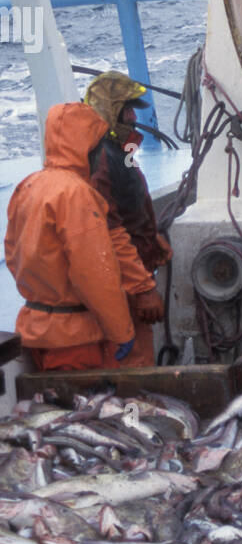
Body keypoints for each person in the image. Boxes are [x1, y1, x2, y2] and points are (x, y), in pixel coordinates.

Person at [4, 102, 136, 371]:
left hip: (34, 329)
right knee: (81, 409)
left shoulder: (29, 185)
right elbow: (94, 274)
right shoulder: (77, 194)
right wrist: (122, 332)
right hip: (74, 342)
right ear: (90, 147)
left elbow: (12, 254)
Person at [82, 71, 171, 367]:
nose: (134, 117)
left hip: (134, 274)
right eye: (127, 109)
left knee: (141, 359)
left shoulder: (119, 152)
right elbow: (109, 233)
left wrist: (152, 239)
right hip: (124, 287)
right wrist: (143, 290)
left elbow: (130, 209)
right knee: (135, 366)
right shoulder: (101, 161)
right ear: (109, 111)